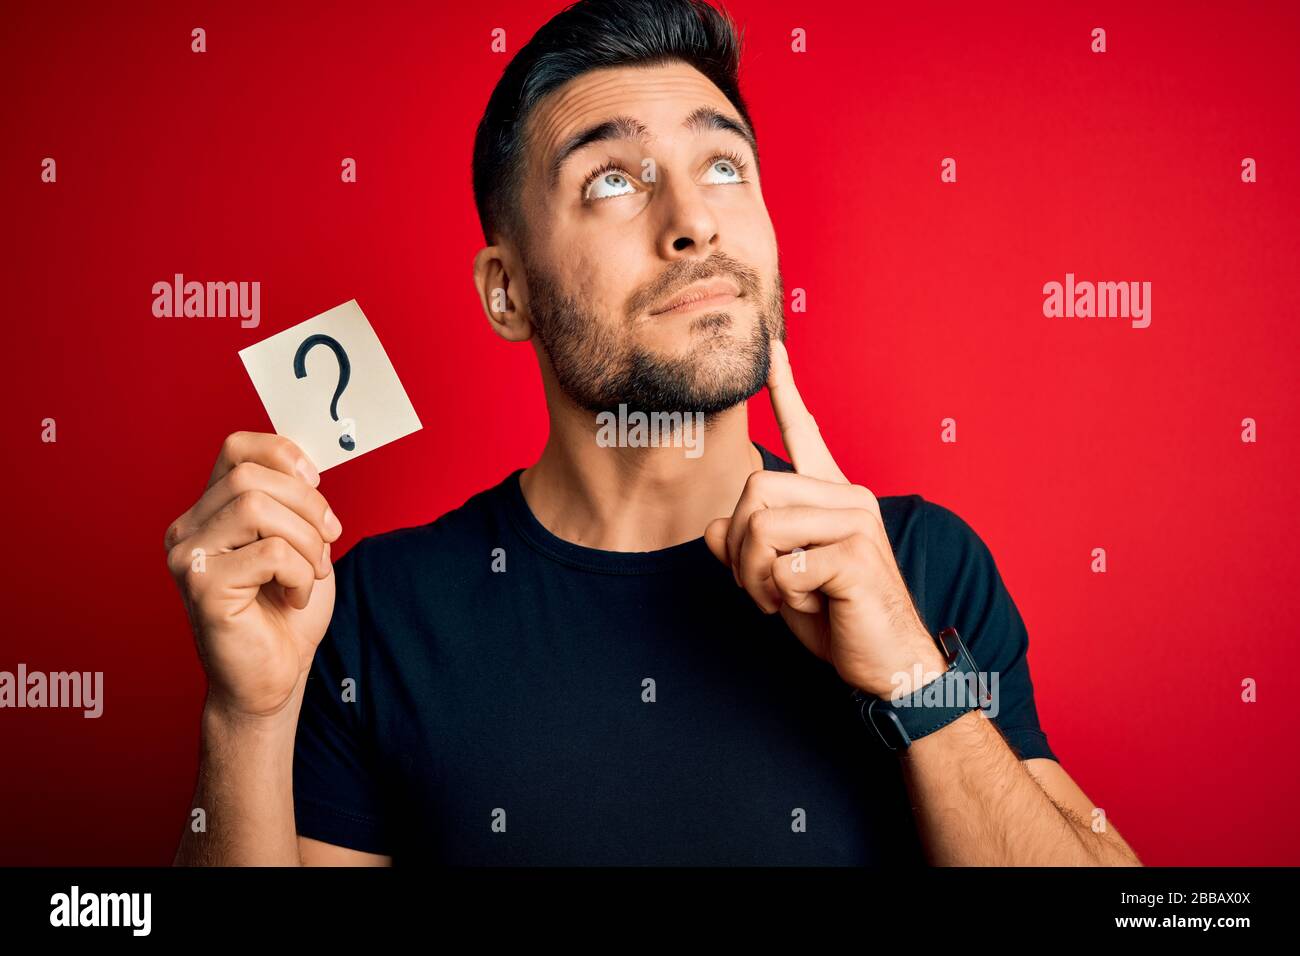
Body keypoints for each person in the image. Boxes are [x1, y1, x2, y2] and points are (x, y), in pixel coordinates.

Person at [169, 0, 1140, 866]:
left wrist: (911, 676)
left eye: (722, 167)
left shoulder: (921, 563)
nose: (693, 223)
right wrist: (246, 716)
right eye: (610, 181)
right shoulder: (371, 612)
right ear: (507, 292)